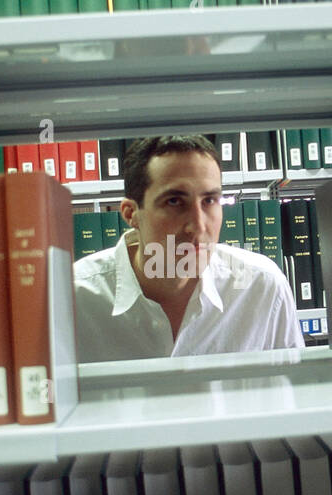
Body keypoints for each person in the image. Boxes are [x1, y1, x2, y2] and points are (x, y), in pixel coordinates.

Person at [74, 134, 305, 363]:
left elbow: (295, 393)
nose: (198, 225)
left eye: (210, 200)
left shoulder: (262, 286)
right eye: (174, 201)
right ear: (130, 213)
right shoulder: (73, 297)